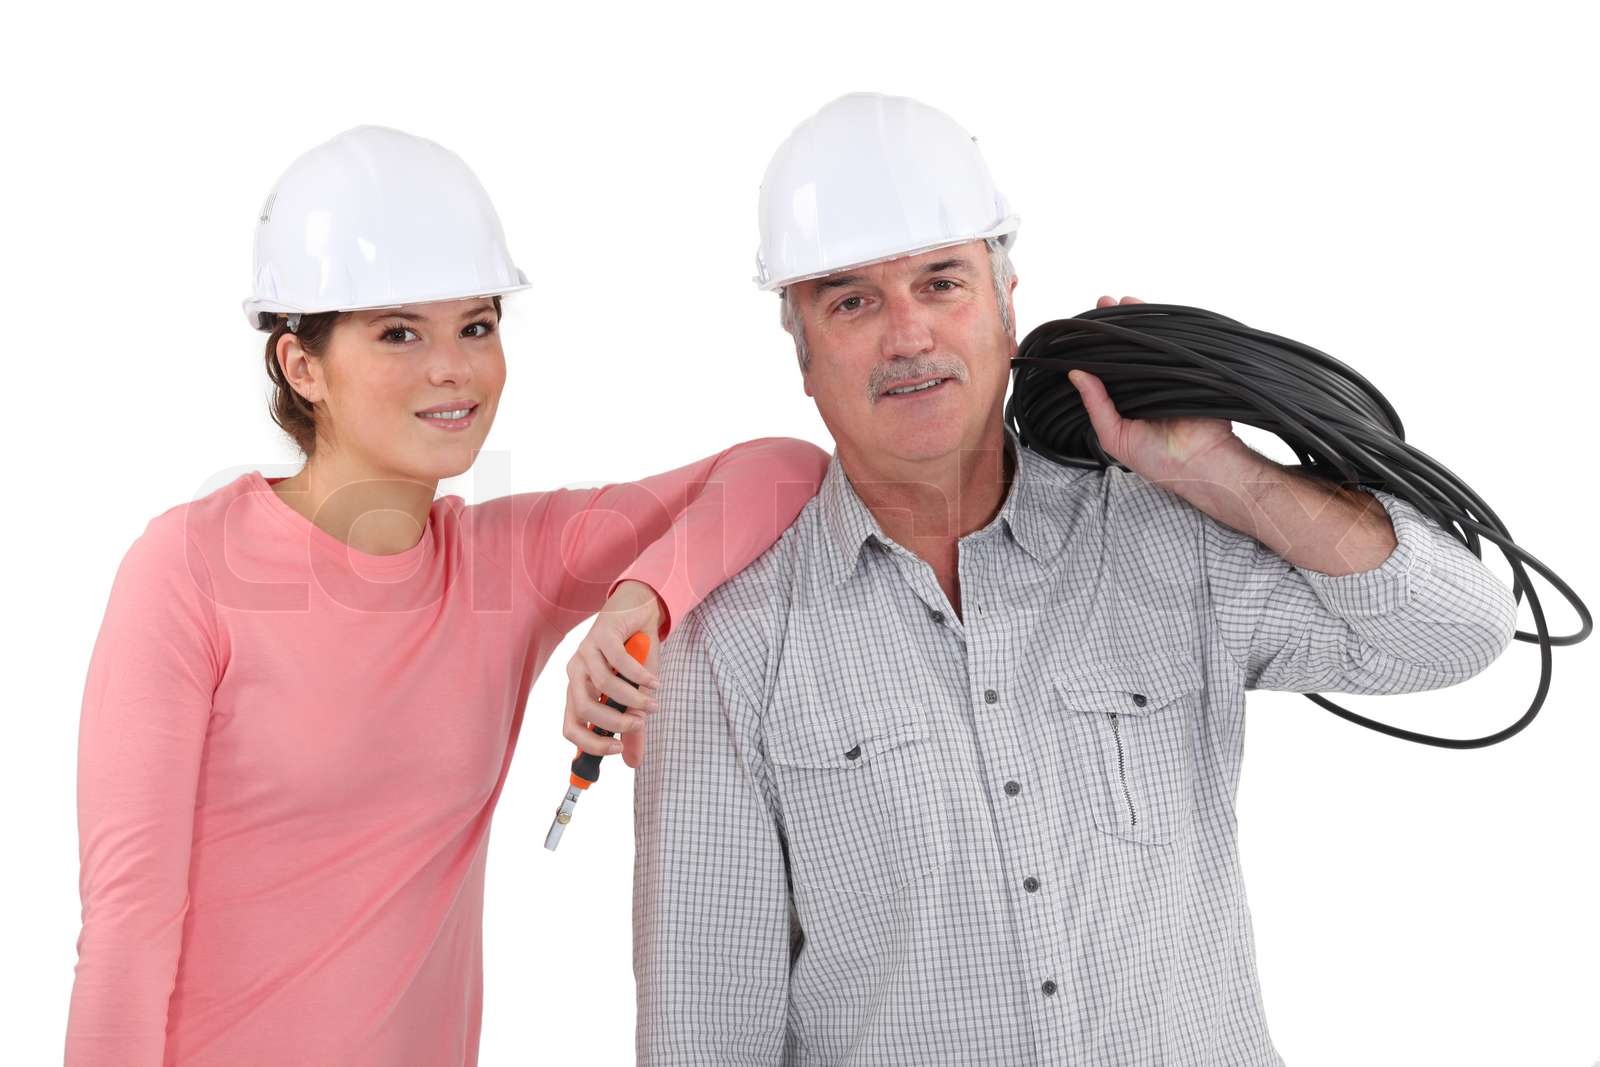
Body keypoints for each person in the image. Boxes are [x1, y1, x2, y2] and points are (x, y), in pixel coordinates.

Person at [632, 92, 1520, 1065]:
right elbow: (705, 1023)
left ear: (1009, 306)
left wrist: (1220, 470)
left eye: (941, 283)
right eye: (850, 300)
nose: (907, 336)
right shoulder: (736, 642)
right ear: (801, 351)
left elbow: (1458, 633)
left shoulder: (1169, 539)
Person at [64, 125, 827, 1067]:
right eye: (398, 333)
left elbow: (785, 468)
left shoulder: (502, 566)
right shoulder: (188, 571)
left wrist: (639, 600)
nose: (452, 367)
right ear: (302, 366)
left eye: (476, 324)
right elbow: (127, 925)